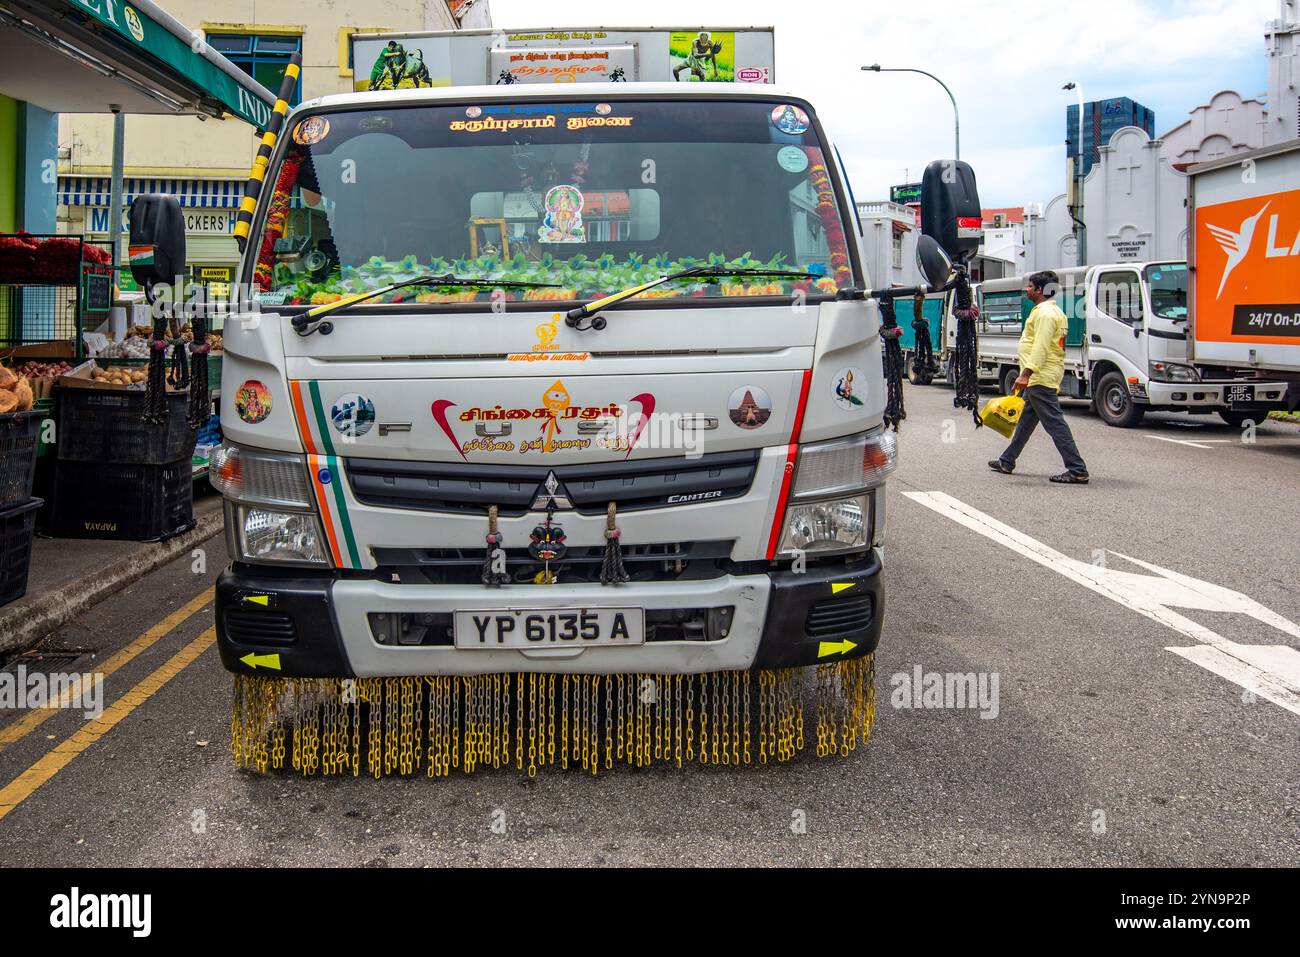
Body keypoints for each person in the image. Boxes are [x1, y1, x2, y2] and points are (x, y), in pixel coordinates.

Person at [988, 270, 1090, 484]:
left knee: (1055, 423)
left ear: (1040, 290)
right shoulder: (1052, 312)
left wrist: (1026, 374)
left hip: (1040, 376)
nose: (1027, 289)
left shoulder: (1045, 314)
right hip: (1041, 375)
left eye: (1030, 286)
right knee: (1026, 421)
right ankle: (1007, 460)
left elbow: (1041, 347)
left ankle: (1077, 469)